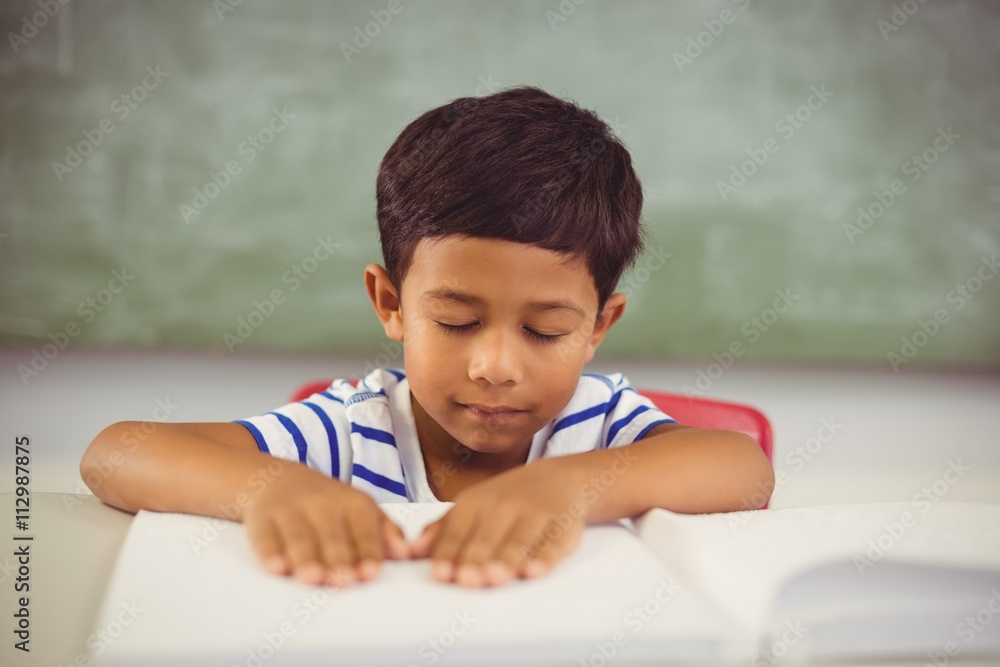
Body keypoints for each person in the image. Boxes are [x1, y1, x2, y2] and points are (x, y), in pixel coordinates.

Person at [81, 85, 774, 590]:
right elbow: (115, 454)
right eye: (457, 322)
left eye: (545, 329)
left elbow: (744, 468)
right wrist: (268, 486)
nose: (496, 365)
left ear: (598, 326)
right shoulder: (352, 429)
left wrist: (570, 488)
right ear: (391, 304)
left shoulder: (600, 425)